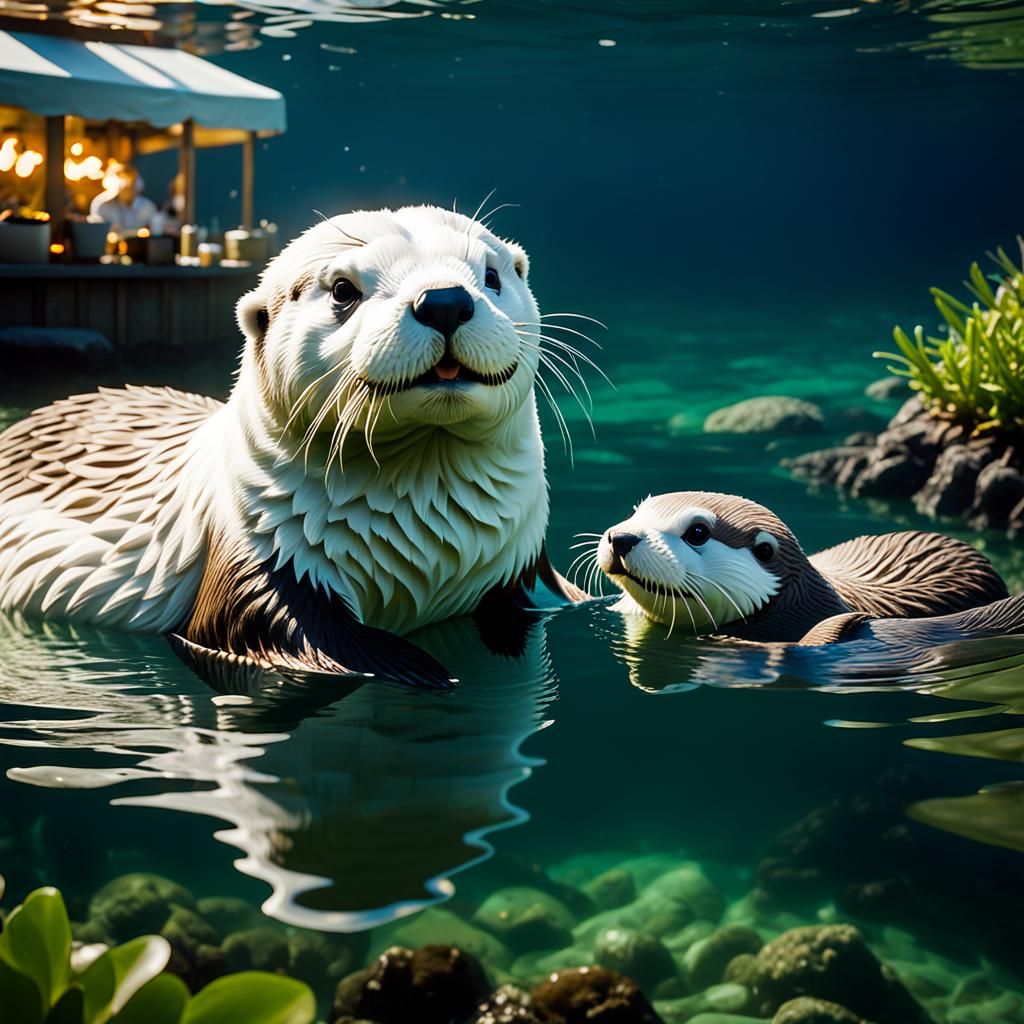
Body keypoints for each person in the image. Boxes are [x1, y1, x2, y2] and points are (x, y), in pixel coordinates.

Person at [93, 164, 157, 233]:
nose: (126, 187)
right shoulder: (105, 207)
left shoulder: (148, 207)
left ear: (138, 185)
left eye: (130, 183)